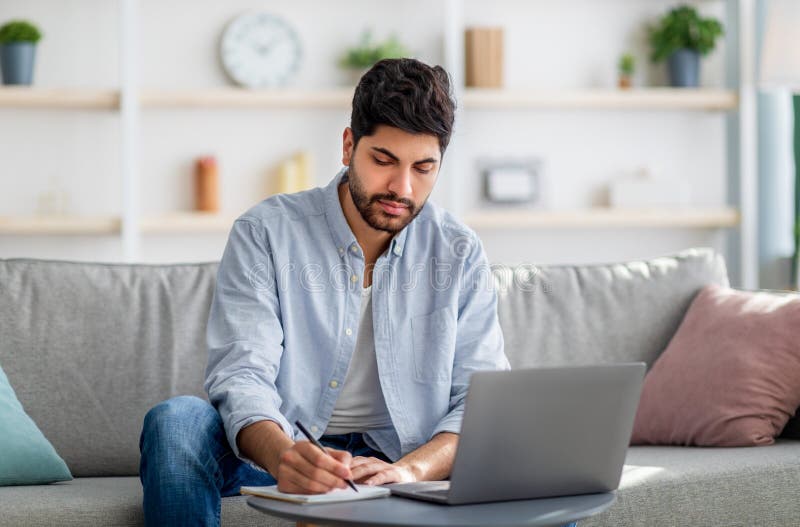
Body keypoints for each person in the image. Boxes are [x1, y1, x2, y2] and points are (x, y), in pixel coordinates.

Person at [139, 57, 575, 527]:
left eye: (423, 168)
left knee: (550, 462)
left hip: (408, 453)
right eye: (383, 161)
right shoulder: (265, 232)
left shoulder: (458, 249)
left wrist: (409, 471)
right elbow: (242, 375)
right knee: (176, 422)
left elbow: (479, 398)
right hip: (282, 446)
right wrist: (287, 457)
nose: (402, 188)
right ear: (349, 146)